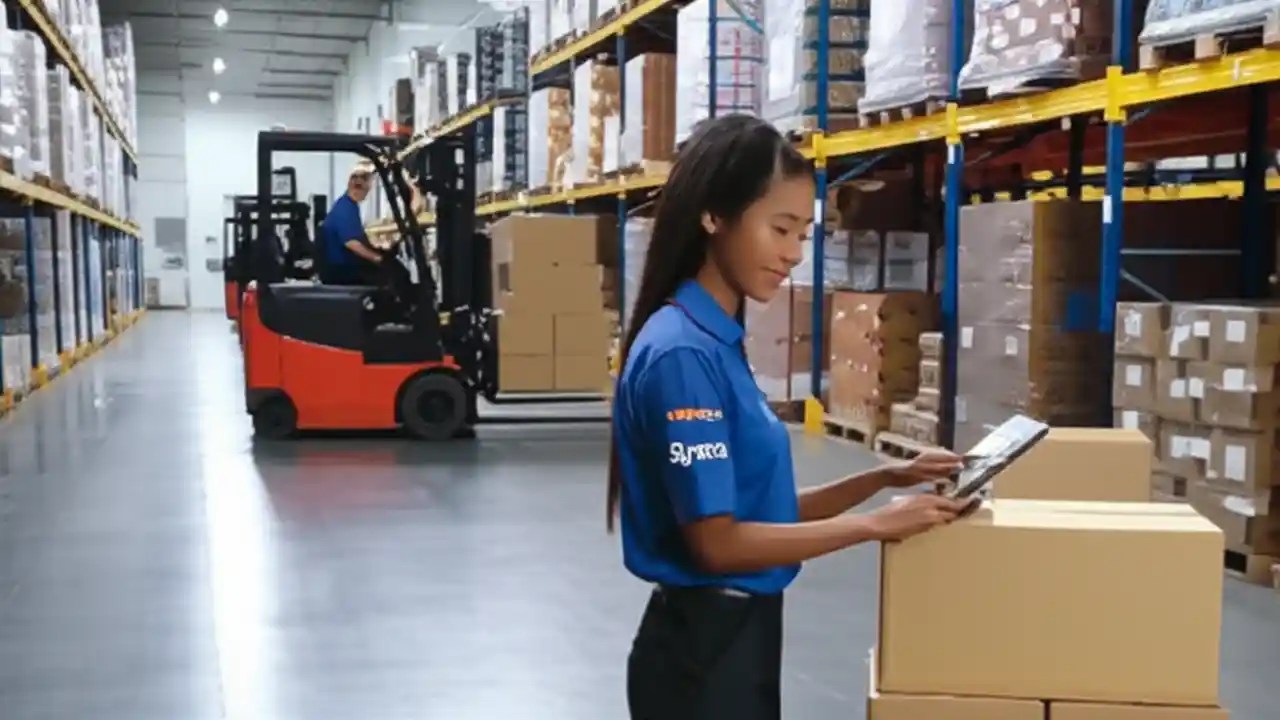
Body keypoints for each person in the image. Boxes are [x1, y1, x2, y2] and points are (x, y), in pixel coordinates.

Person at [608, 115, 971, 720]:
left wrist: (880, 479)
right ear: (713, 215)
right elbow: (719, 544)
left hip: (735, 639)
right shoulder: (682, 355)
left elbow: (758, 510)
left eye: (803, 234)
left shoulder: (715, 339)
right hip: (701, 661)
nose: (793, 254)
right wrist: (877, 526)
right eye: (780, 228)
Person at [319, 164, 386, 285]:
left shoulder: (349, 206)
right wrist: (377, 258)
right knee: (385, 279)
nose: (367, 195)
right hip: (341, 271)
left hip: (342, 267)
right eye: (366, 190)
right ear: (358, 188)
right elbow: (351, 243)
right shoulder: (345, 208)